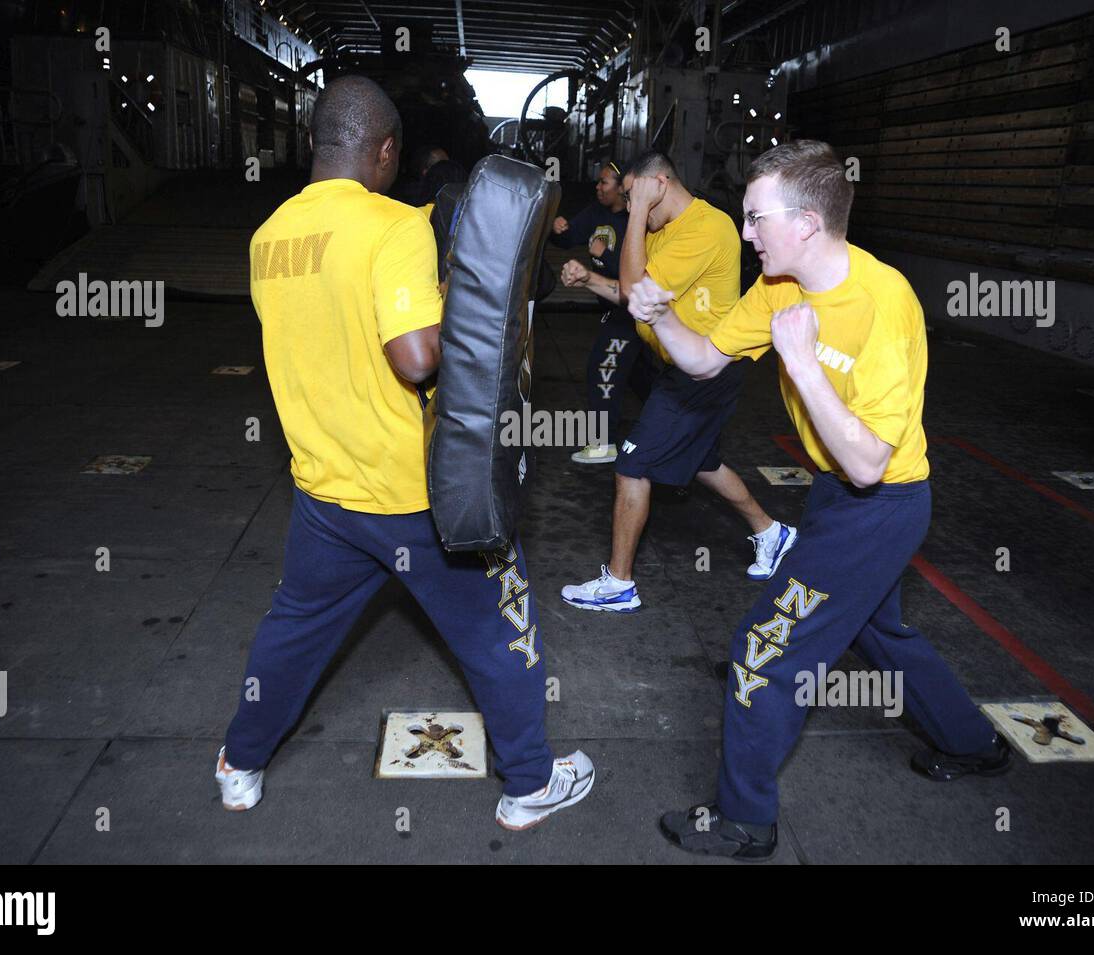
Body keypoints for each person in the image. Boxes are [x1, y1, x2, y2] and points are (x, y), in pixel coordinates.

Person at [218, 75, 593, 831]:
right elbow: (416, 357)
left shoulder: (268, 239)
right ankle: (530, 783)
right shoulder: (392, 229)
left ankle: (239, 763)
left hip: (324, 490)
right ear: (386, 152)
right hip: (414, 495)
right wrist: (474, 289)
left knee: (293, 628)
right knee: (500, 624)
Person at [629, 140, 1009, 860]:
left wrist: (802, 364)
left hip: (882, 503)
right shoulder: (779, 281)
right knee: (878, 630)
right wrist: (659, 316)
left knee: (762, 651)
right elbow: (706, 357)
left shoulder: (883, 303)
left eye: (754, 218)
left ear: (806, 222)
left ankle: (743, 820)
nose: (744, 233)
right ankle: (973, 742)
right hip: (836, 495)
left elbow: (869, 461)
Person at [561, 151, 797, 612]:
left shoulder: (704, 228)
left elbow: (633, 287)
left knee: (632, 463)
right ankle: (772, 532)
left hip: (704, 369)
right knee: (703, 461)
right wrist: (590, 278)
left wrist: (636, 216)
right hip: (686, 367)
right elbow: (637, 297)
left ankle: (619, 583)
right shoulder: (664, 229)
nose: (629, 207)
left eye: (633, 195)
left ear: (660, 184)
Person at [553, 161, 657, 464]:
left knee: (604, 369)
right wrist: (555, 227)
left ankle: (603, 443)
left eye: (605, 183)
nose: (598, 187)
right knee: (641, 378)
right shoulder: (595, 213)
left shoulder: (635, 224)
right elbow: (569, 237)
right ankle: (674, 430)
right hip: (614, 311)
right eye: (598, 182)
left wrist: (605, 255)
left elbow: (635, 278)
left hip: (630, 312)